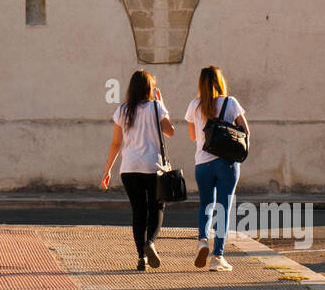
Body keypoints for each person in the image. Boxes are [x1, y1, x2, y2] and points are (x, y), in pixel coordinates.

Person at [102, 70, 175, 271]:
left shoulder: (123, 110)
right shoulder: (156, 107)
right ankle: (150, 242)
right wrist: (162, 105)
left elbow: (116, 143)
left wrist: (108, 170)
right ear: (150, 89)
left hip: (129, 168)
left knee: (138, 213)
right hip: (153, 167)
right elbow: (170, 132)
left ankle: (141, 258)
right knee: (157, 208)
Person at [184, 65, 250, 272]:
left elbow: (194, 136)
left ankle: (202, 240)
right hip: (227, 163)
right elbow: (245, 131)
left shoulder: (195, 105)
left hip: (202, 163)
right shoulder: (231, 103)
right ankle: (217, 257)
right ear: (220, 81)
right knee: (223, 208)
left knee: (205, 204)